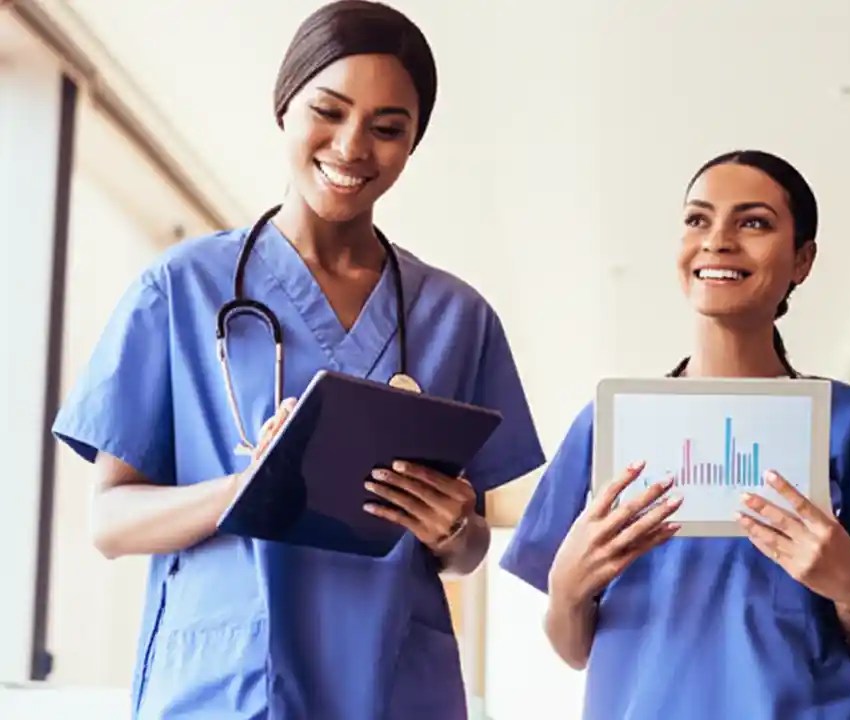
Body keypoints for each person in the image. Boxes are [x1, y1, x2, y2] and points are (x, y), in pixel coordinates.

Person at [51, 2, 544, 718]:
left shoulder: (456, 318)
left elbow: (467, 549)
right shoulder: (180, 288)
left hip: (392, 682)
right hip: (229, 683)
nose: (352, 146)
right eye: (329, 110)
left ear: (412, 145)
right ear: (285, 107)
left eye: (388, 128)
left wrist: (451, 530)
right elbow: (112, 521)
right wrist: (247, 486)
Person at [500, 149, 850, 719]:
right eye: (698, 219)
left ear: (802, 260)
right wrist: (568, 589)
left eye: (754, 222)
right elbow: (573, 649)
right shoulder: (612, 425)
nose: (718, 240)